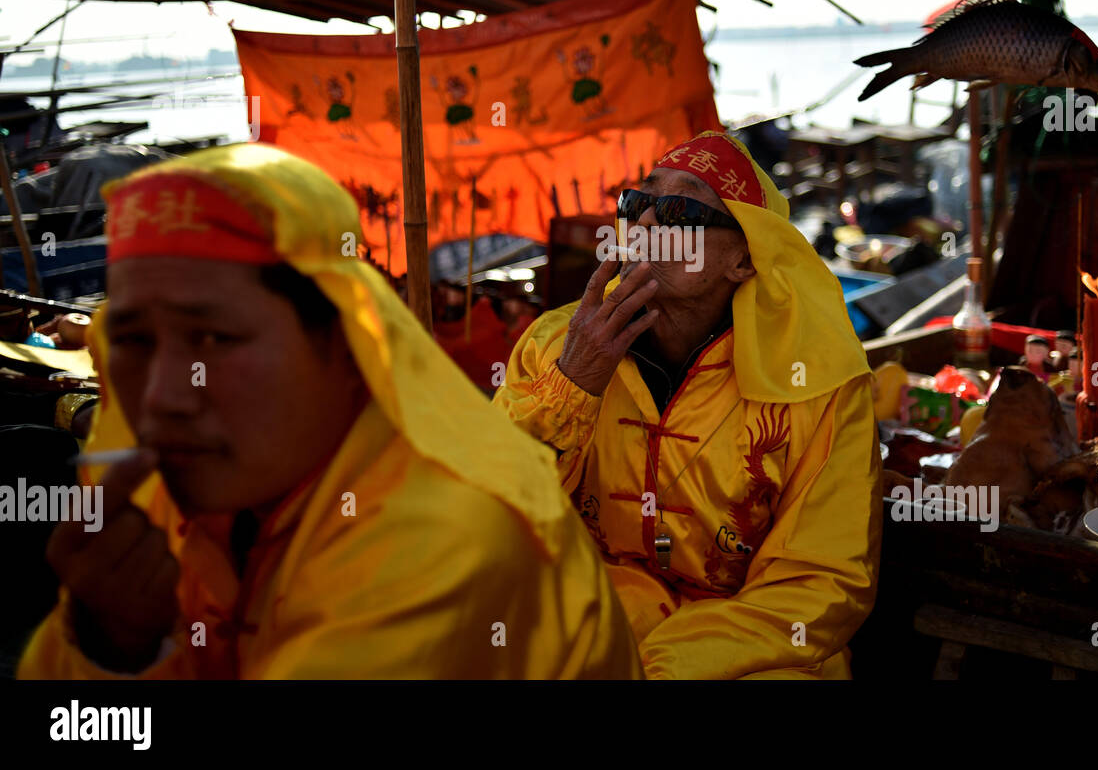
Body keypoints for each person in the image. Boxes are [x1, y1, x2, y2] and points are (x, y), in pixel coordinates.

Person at [19, 144, 641, 679]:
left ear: (347, 345)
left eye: (214, 339)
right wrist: (107, 642)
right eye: (130, 341)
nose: (162, 396)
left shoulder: (447, 538)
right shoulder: (168, 501)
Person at [493, 131, 882, 679]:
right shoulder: (556, 344)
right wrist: (571, 386)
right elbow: (491, 513)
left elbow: (819, 582)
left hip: (744, 647)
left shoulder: (819, 383)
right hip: (586, 620)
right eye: (639, 202)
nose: (647, 225)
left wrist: (667, 668)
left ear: (744, 260)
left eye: (681, 211)